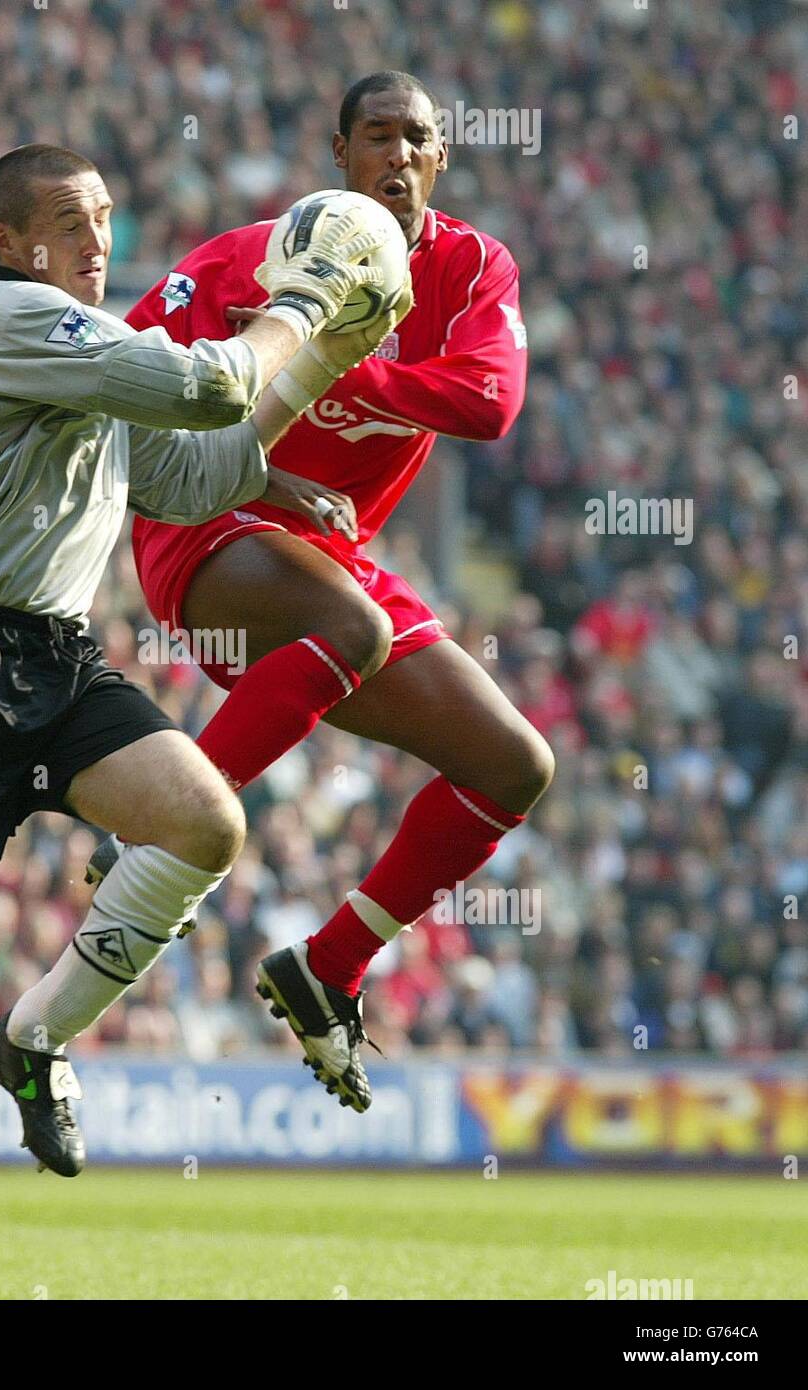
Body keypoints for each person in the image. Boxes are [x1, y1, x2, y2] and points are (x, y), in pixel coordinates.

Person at [0, 142, 403, 1298]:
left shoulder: (95, 356)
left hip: (50, 653)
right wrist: (304, 303)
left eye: (105, 216)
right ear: (8, 243)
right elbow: (212, 386)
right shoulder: (3, 317)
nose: (97, 239)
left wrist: (323, 363)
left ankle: (35, 1038)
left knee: (203, 823)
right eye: (68, 220)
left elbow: (195, 473)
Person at [120, 71, 554, 1111]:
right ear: (339, 155)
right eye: (376, 137)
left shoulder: (468, 266)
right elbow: (126, 381)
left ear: (439, 159)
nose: (397, 156)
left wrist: (336, 369)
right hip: (206, 523)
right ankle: (159, 836)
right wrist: (261, 467)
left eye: (416, 140)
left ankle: (328, 966)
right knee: (348, 620)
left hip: (327, 561)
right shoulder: (248, 259)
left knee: (511, 764)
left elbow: (491, 403)